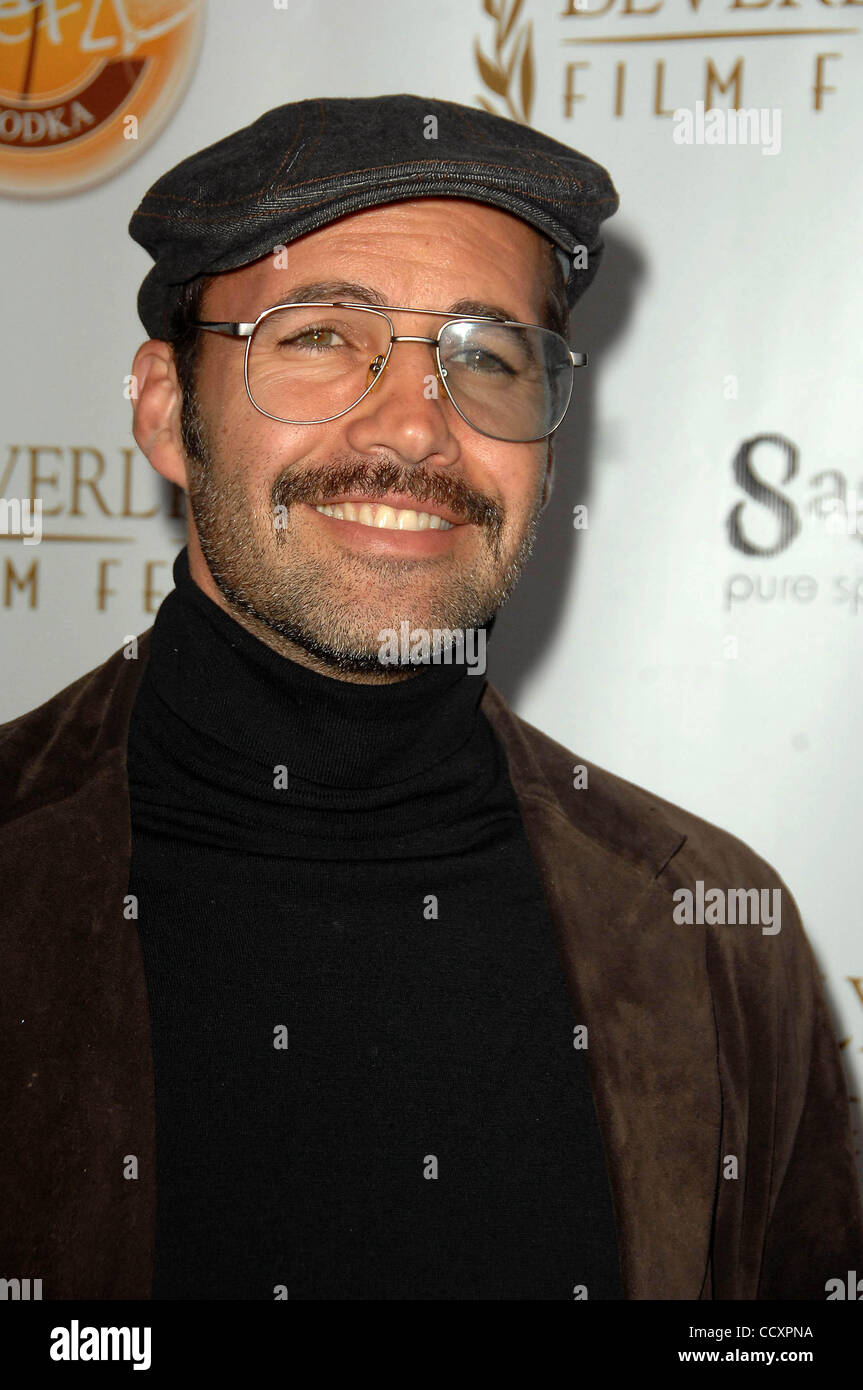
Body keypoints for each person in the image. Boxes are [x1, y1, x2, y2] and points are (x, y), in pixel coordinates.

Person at [1, 94, 860, 1302]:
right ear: (163, 409)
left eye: (487, 357)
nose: (412, 425)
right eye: (318, 336)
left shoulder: (707, 937)